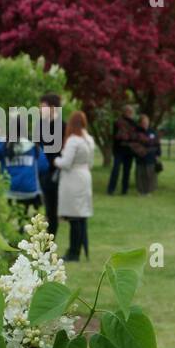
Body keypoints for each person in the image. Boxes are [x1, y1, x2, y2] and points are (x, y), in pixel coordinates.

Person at [56, 110, 96, 261]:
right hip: (85, 175)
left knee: (74, 217)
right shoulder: (89, 139)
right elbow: (91, 162)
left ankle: (73, 252)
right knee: (80, 216)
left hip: (72, 178)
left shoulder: (73, 140)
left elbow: (66, 163)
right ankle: (78, 249)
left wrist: (55, 161)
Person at [0, 120, 50, 209]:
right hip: (31, 192)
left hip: (10, 192)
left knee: (11, 220)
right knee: (32, 221)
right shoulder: (34, 147)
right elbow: (44, 167)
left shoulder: (5, 147)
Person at [37, 93, 64, 235]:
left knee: (51, 210)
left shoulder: (62, 126)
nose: (40, 109)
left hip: (54, 174)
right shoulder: (41, 124)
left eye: (43, 106)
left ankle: (49, 242)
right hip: (39, 173)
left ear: (52, 108)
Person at [106, 104, 138, 196]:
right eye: (128, 111)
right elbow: (117, 136)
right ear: (124, 112)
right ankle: (111, 189)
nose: (129, 113)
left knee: (127, 170)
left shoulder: (133, 123)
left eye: (131, 112)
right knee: (116, 169)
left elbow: (134, 136)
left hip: (129, 150)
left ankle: (125, 190)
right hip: (119, 149)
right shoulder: (118, 122)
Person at [134, 114, 161, 195]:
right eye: (143, 122)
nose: (145, 123)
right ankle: (141, 191)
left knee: (150, 174)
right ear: (140, 123)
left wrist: (158, 154)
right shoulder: (136, 132)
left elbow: (157, 143)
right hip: (140, 156)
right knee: (140, 174)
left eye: (147, 122)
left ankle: (148, 191)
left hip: (151, 156)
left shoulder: (152, 132)